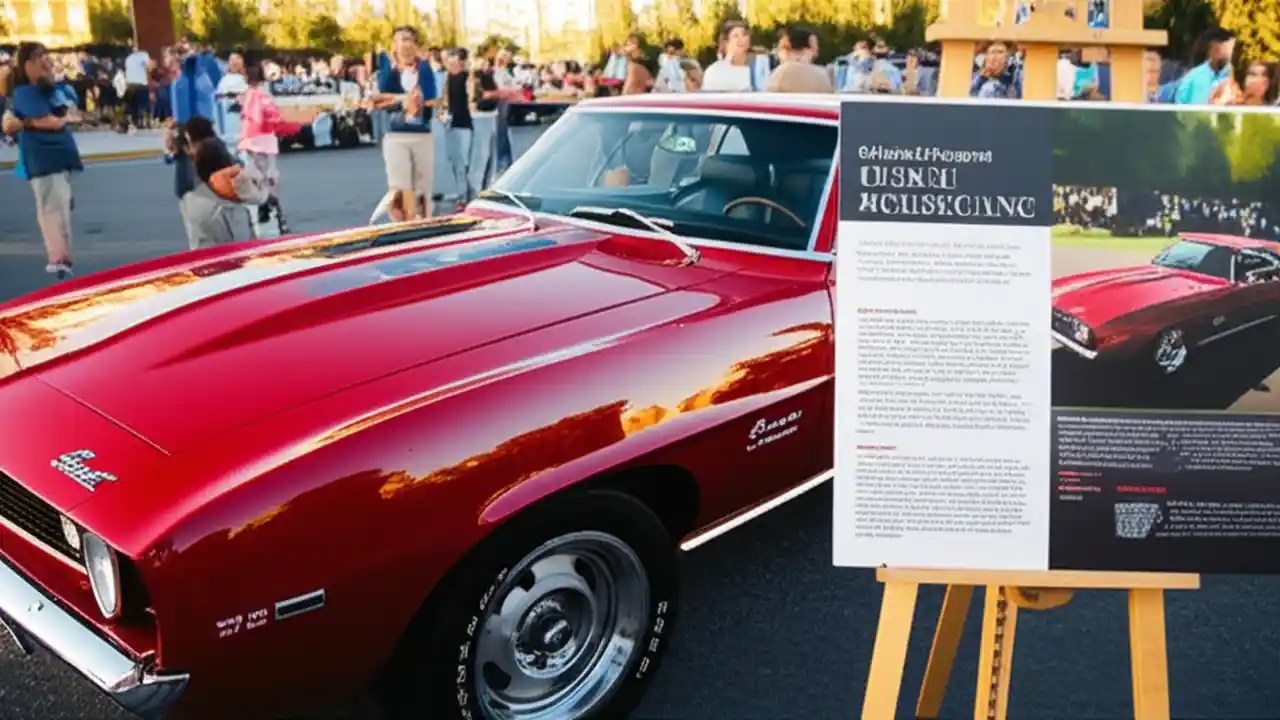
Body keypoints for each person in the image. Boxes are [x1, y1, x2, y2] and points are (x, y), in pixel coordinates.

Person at [4, 42, 84, 280]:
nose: (46, 61)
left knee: (60, 207)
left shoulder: (46, 88)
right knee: (52, 209)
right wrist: (36, 122)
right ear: (27, 63)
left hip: (59, 159)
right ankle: (59, 259)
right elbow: (54, 121)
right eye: (40, 57)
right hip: (44, 159)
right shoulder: (25, 92)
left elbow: (71, 112)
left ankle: (63, 259)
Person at [366, 26, 439, 221]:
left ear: (415, 45)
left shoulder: (424, 68)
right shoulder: (387, 71)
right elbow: (379, 97)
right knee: (399, 188)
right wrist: (403, 98)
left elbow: (431, 96)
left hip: (422, 134)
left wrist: (414, 99)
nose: (405, 44)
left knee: (422, 189)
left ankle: (424, 227)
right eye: (401, 40)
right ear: (394, 46)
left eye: (409, 40)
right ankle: (401, 228)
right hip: (396, 135)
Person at [239, 63, 288, 236]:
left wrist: (243, 141)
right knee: (271, 178)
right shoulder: (266, 94)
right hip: (268, 140)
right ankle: (278, 216)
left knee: (257, 179)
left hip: (255, 141)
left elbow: (253, 120)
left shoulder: (251, 95)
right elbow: (275, 117)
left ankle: (264, 210)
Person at [442, 48, 474, 209]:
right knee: (455, 162)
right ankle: (462, 193)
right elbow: (444, 102)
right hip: (452, 123)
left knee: (464, 163)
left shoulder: (467, 77)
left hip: (466, 124)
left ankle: (465, 195)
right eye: (449, 61)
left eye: (454, 61)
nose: (450, 64)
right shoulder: (446, 78)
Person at [1175, 27, 1236, 105]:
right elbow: (1180, 110)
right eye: (1229, 47)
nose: (1231, 53)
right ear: (1213, 47)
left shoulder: (1234, 77)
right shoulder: (1194, 77)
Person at [766, 26, 834, 93]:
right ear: (806, 50)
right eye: (815, 47)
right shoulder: (822, 76)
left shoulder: (780, 74)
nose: (816, 53)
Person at [702, 21, 764, 91]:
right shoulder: (714, 71)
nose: (742, 39)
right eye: (735, 36)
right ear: (726, 43)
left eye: (744, 34)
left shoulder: (758, 64)